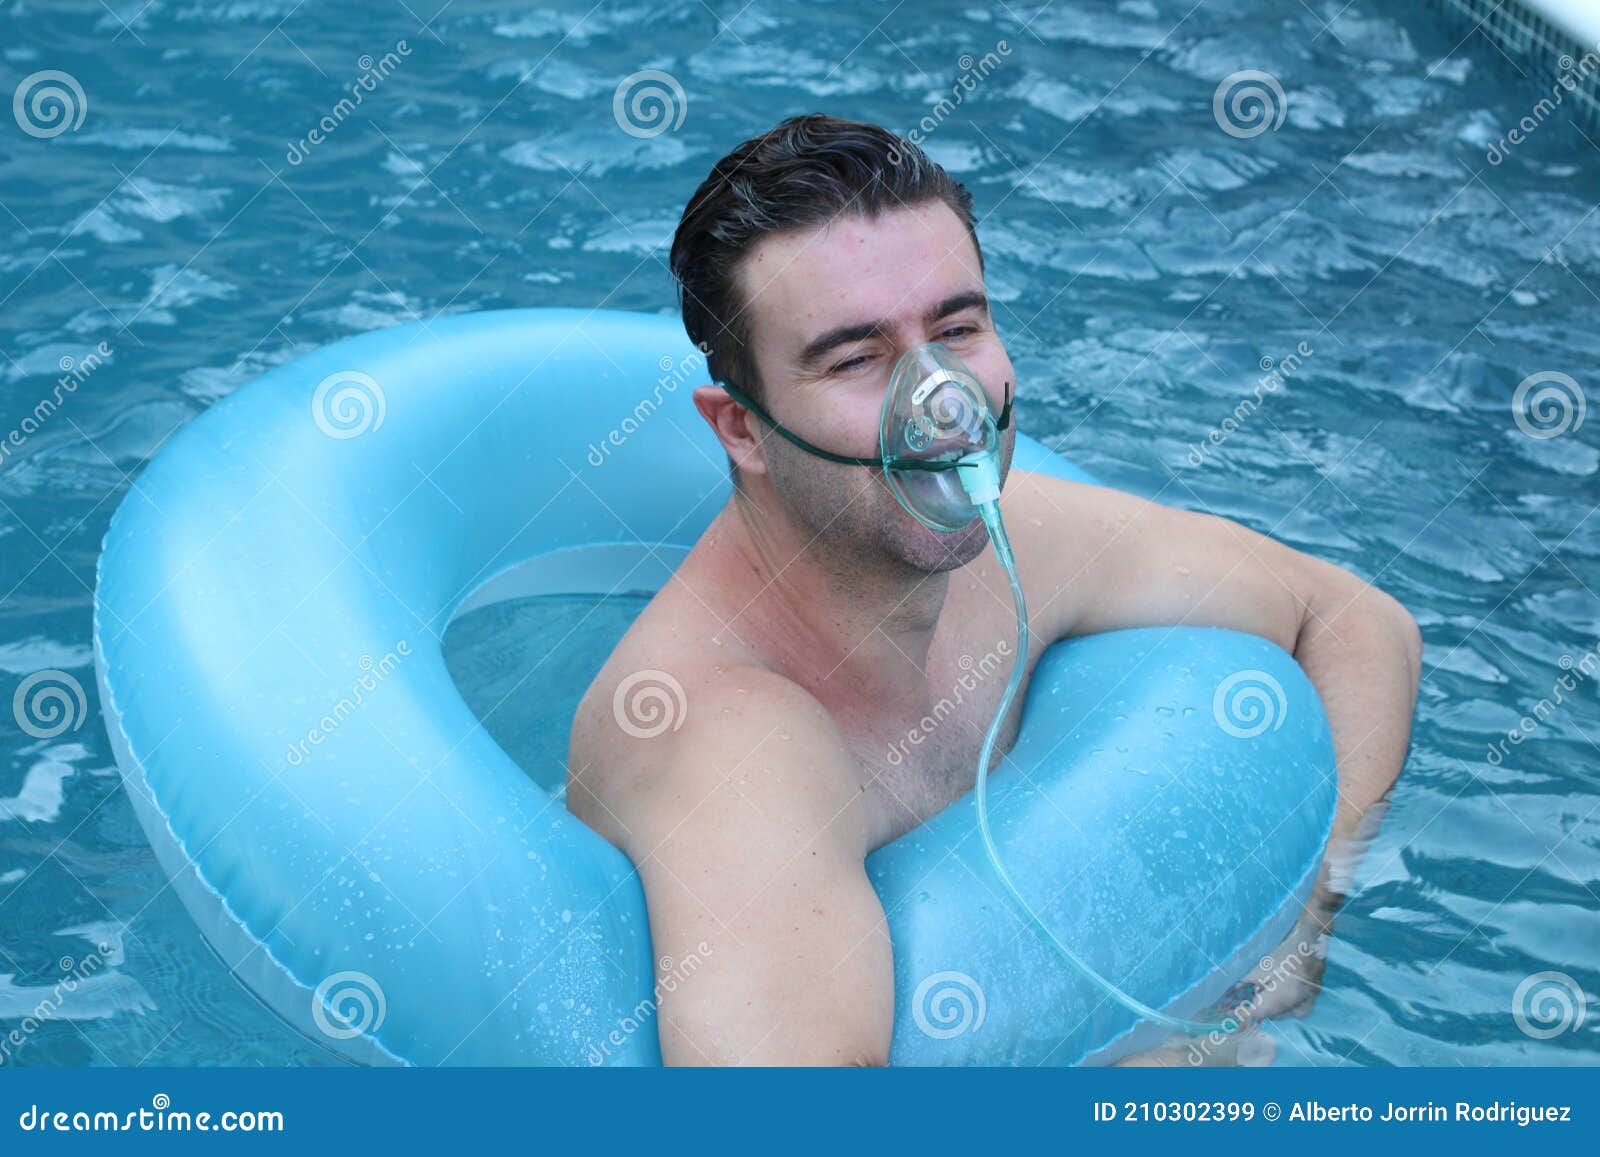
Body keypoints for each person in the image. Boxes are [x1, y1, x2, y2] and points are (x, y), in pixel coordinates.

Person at [566, 113, 1421, 1066]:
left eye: (957, 328)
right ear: (743, 431)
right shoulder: (733, 746)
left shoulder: (1017, 544)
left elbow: (1353, 619)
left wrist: (1304, 930)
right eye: (857, 358)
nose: (939, 400)